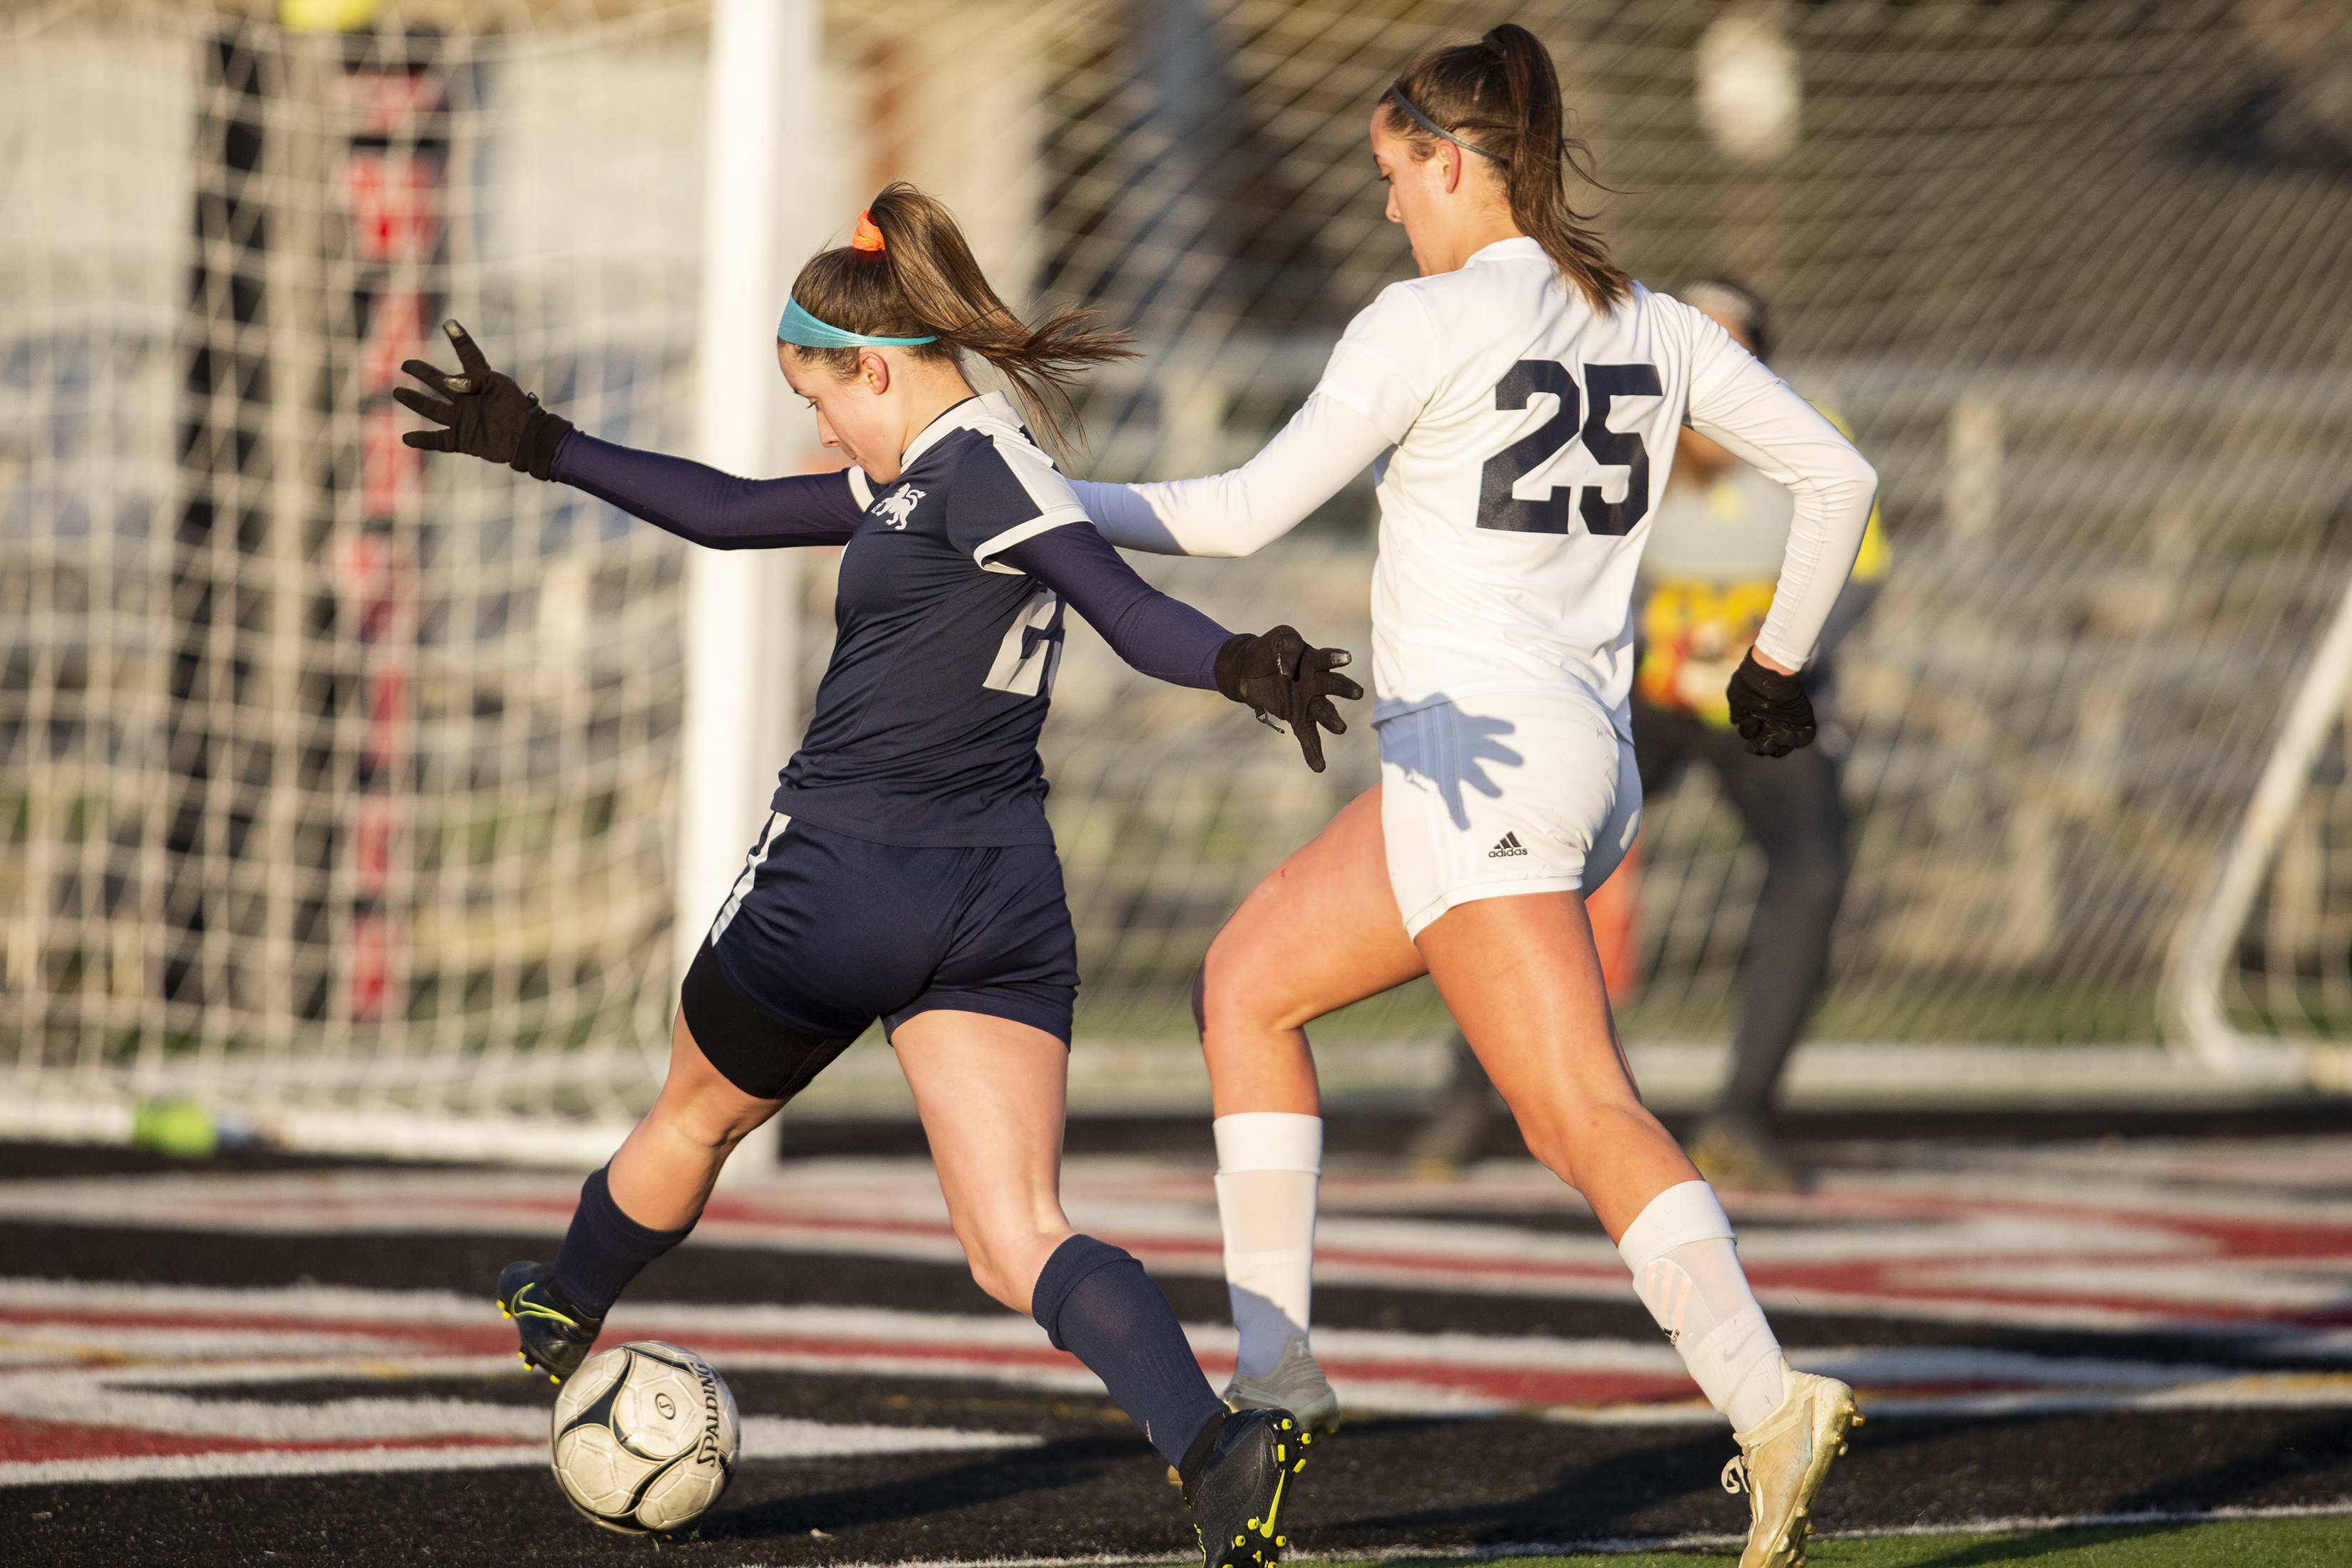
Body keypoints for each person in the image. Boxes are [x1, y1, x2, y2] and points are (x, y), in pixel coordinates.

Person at [395, 185, 1358, 1568]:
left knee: (695, 1113)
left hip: (842, 876)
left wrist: (1236, 663)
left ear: (878, 368)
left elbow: (1126, 609)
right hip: (1000, 903)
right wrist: (545, 443)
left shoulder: (979, 473)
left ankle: (565, 1298)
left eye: (819, 398)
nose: (819, 431)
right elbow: (732, 512)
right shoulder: (944, 470)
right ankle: (1214, 1450)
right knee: (1017, 1234)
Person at [1067, 29, 1876, 1568]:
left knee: (1576, 1111)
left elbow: (1236, 515)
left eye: (1394, 174)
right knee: (1246, 984)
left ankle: (1770, 1399)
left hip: (1483, 761)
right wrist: (1777, 662)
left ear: (1453, 160)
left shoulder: (1426, 317)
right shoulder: (1652, 318)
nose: (1387, 207)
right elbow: (1840, 477)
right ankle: (1276, 1374)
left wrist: (1037, 503)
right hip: (1561, 757)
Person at [1631, 278, 1889, 1191]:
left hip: (1764, 691)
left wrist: (1777, 648)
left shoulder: (1812, 434)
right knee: (1537, 866)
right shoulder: (1623, 427)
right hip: (1643, 692)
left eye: (1727, 344)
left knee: (1813, 872)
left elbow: (1862, 568)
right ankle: (1471, 1097)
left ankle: (1742, 1114)